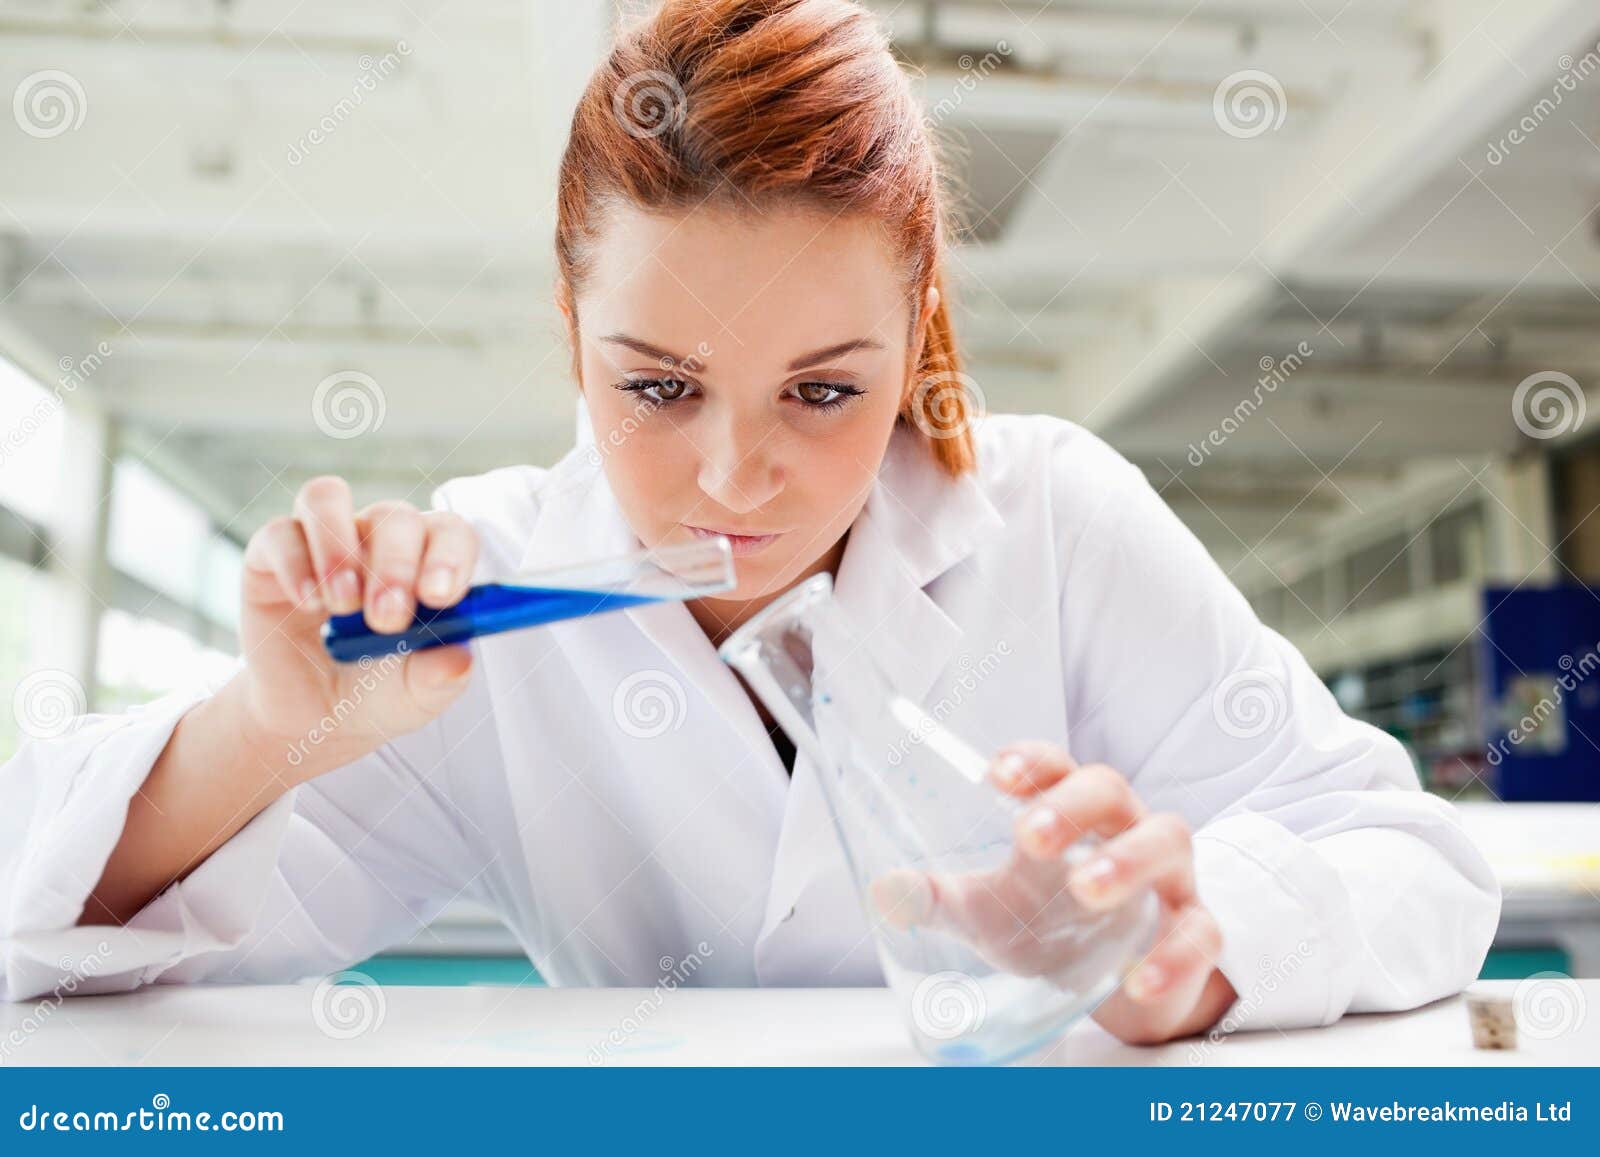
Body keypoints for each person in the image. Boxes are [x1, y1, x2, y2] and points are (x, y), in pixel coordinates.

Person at [0, 0, 1498, 1046]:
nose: (735, 478)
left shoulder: (1055, 521)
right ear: (569, 327)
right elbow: (38, 934)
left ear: (913, 337)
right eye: (657, 387)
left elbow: (1411, 857)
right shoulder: (484, 596)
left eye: (824, 393)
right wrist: (267, 732)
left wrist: (1188, 947)